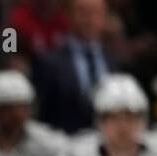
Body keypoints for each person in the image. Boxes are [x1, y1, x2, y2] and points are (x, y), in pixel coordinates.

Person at [31, 0, 113, 135]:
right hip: (62, 146)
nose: (90, 19)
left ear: (105, 17)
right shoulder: (48, 64)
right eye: (82, 12)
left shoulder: (114, 62)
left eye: (96, 13)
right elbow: (39, 118)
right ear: (68, 14)